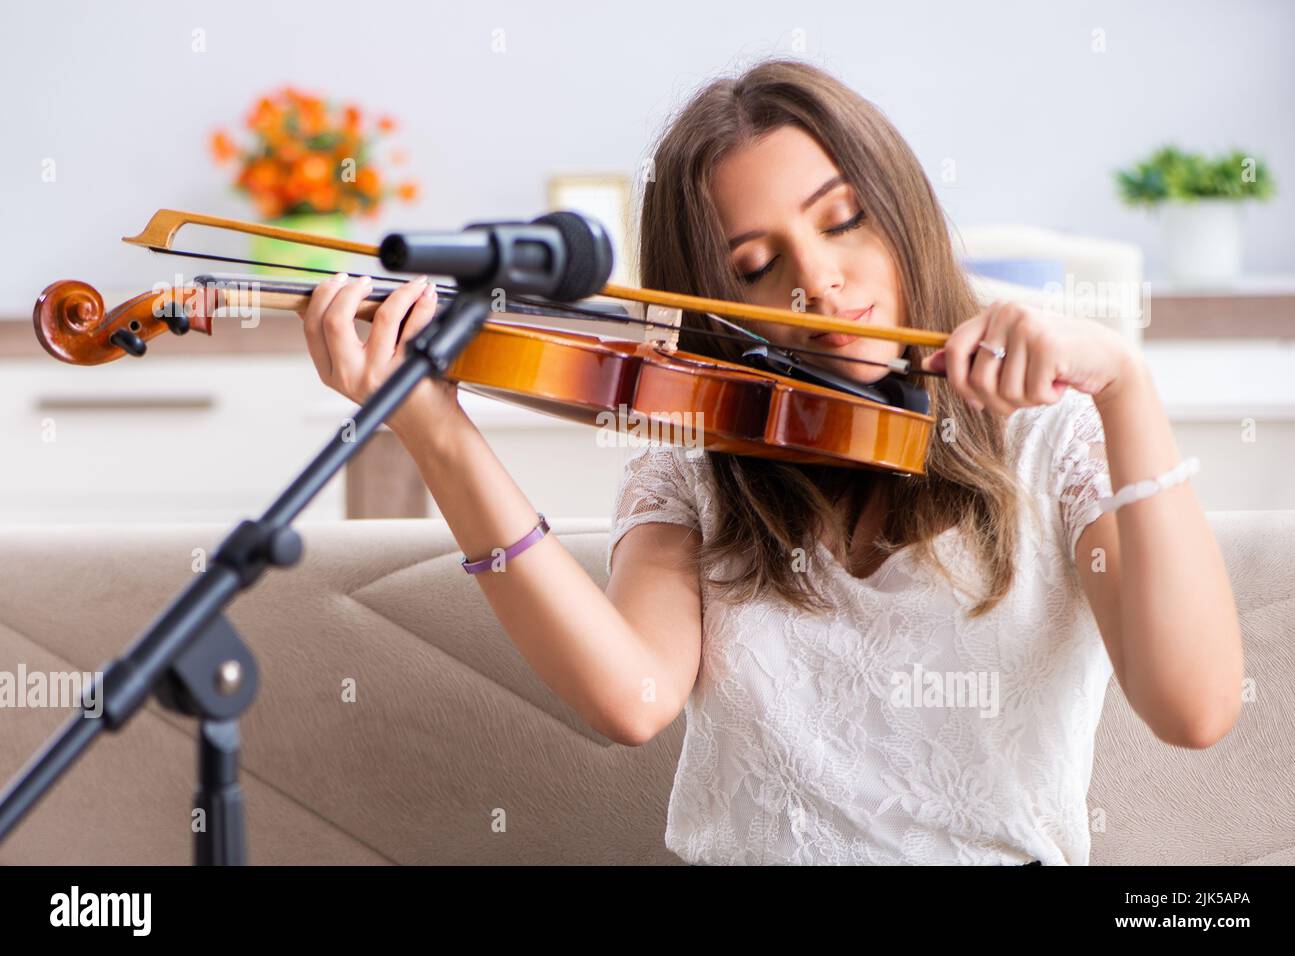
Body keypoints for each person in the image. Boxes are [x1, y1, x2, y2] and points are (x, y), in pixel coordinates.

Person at [296, 58, 1243, 865]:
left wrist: (1124, 387)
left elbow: (1193, 709)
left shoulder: (1051, 430)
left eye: (843, 220)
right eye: (755, 265)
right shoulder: (700, 452)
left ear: (901, 201)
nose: (818, 280)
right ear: (713, 303)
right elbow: (631, 699)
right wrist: (438, 433)